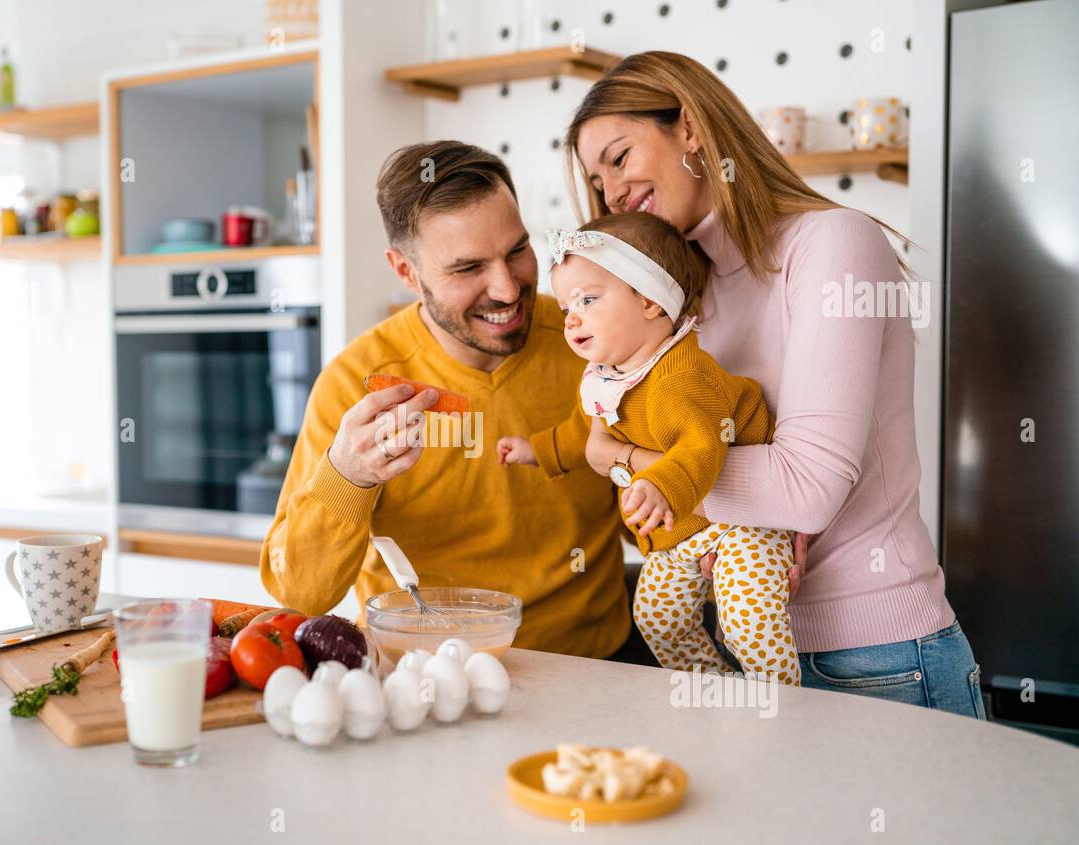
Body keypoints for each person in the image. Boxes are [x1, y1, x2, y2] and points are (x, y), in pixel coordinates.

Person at [560, 51, 984, 717]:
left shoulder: (833, 245)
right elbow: (700, 487)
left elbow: (804, 490)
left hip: (879, 657)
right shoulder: (678, 307)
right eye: (595, 179)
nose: (611, 191)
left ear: (691, 127)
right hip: (746, 645)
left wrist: (616, 458)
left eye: (619, 156)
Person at [259, 141, 630, 658]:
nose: (506, 289)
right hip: (421, 681)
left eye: (518, 251)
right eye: (468, 268)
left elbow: (656, 502)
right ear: (406, 272)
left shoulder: (597, 345)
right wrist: (347, 475)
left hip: (594, 671)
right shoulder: (356, 385)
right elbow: (301, 594)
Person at [499, 212, 800, 685]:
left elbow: (701, 445)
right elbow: (584, 433)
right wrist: (535, 450)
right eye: (566, 307)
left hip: (743, 523)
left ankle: (781, 700)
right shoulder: (609, 376)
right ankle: (714, 690)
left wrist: (659, 484)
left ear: (650, 303)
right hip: (678, 529)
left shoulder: (682, 377)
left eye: (589, 299)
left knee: (748, 622)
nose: (572, 317)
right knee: (659, 618)